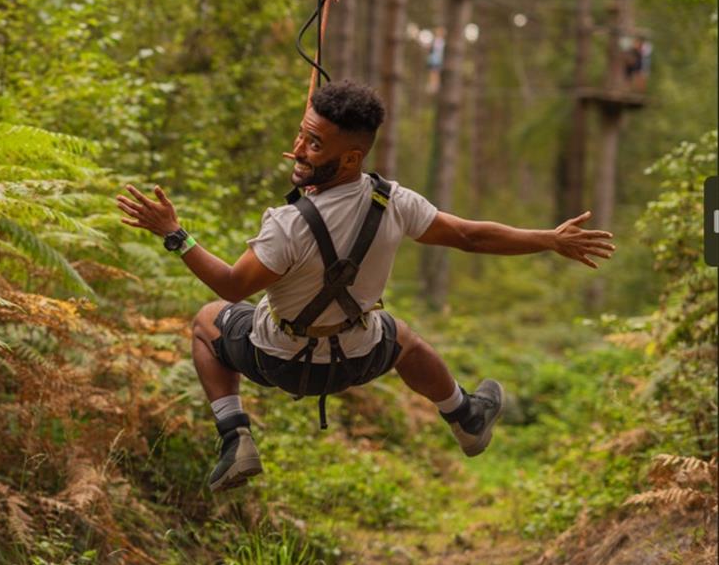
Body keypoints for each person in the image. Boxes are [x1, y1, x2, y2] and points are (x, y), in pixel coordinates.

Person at [116, 80, 616, 492]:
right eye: (301, 135)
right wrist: (547, 239)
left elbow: (229, 286)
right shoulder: (393, 201)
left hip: (276, 358)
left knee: (207, 321)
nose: (298, 150)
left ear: (351, 158)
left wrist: (174, 235)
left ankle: (234, 437)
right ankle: (463, 415)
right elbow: (468, 235)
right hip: (356, 357)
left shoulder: (287, 224)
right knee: (404, 339)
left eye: (314, 144)